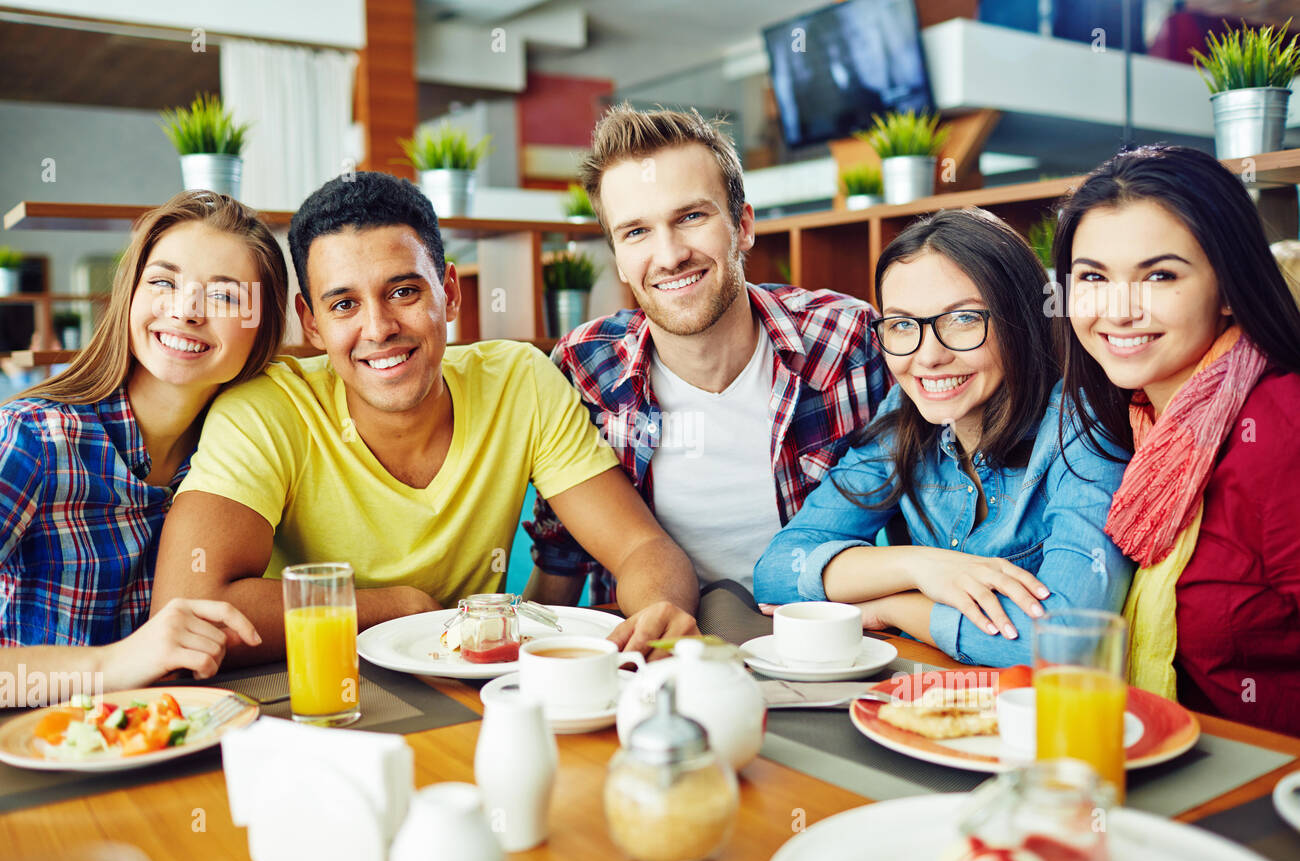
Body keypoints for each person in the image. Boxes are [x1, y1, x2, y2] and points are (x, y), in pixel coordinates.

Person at [151, 171, 699, 659]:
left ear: (450, 294)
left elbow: (640, 546)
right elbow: (186, 604)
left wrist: (659, 610)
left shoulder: (518, 380)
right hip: (310, 697)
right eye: (343, 304)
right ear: (311, 322)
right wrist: (397, 607)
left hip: (464, 690)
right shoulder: (267, 409)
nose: (379, 327)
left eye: (404, 291)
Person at [525, 104, 890, 607]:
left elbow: (922, 523)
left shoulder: (849, 341)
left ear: (742, 226)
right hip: (656, 660)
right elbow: (560, 561)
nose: (670, 254)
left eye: (691, 217)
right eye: (636, 232)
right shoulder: (583, 368)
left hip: (827, 653)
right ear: (620, 263)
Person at [753, 208, 1133, 667]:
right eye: (901, 324)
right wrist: (920, 566)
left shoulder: (1080, 425)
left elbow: (1066, 641)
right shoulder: (904, 418)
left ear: (1024, 319)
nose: (928, 357)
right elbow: (776, 570)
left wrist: (894, 607)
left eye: (963, 319)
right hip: (931, 702)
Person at [0, 192, 287, 700]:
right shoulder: (34, 439)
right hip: (41, 755)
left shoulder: (237, 461)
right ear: (130, 295)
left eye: (223, 297)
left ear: (262, 328)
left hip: (178, 743)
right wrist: (118, 661)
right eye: (163, 282)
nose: (186, 311)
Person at [1056, 144, 1300, 734]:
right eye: (1093, 277)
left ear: (1228, 288)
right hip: (1168, 765)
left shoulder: (1282, 427)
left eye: (1159, 275)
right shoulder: (1126, 425)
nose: (1119, 309)